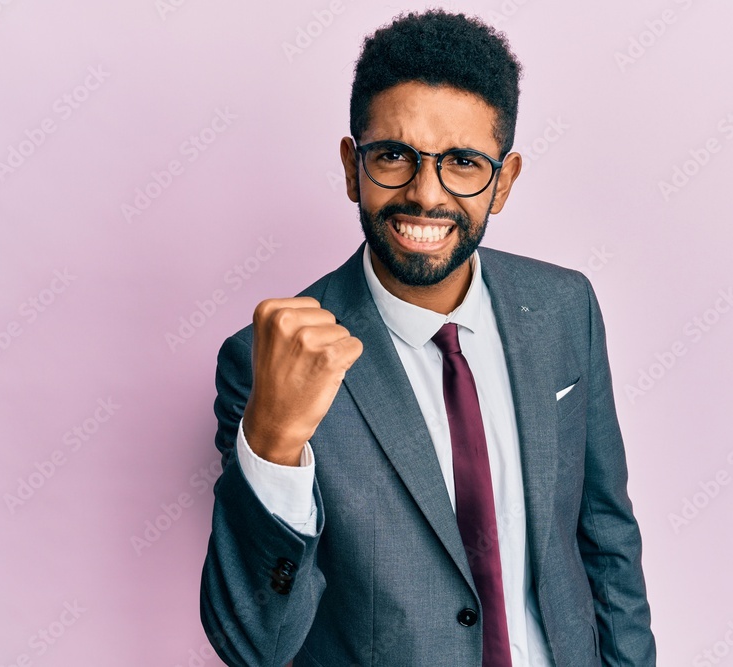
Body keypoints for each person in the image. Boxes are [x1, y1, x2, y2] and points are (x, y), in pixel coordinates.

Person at [200, 9, 655, 666]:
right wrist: (273, 440)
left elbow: (606, 535)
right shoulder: (264, 360)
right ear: (352, 167)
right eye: (393, 156)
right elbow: (253, 643)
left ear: (503, 182)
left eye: (463, 162)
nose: (425, 194)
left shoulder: (565, 307)